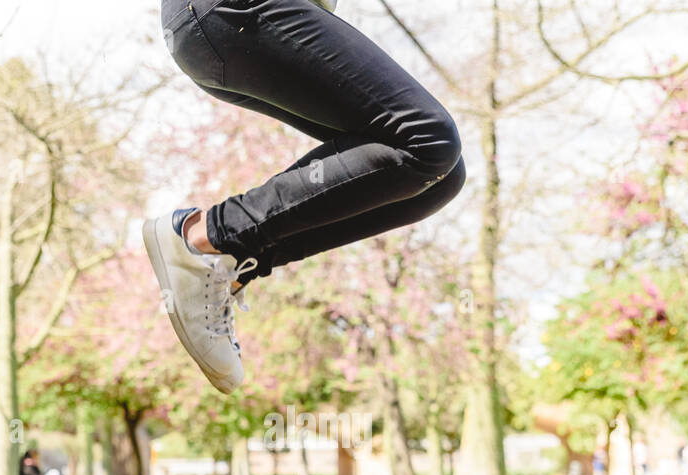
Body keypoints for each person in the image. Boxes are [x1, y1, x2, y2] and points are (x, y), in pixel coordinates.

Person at [145, 0, 465, 394]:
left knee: (440, 175)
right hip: (233, 11)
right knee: (427, 138)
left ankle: (234, 263)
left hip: (216, 30)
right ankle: (207, 236)